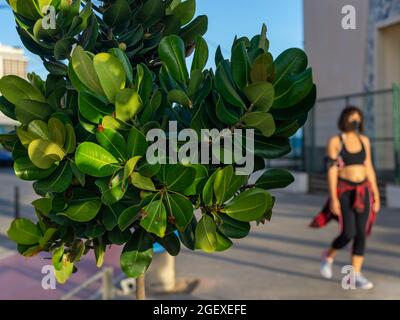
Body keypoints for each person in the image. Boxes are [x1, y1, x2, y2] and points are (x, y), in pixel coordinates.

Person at [310, 106, 380, 289]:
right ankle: (329, 255)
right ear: (344, 120)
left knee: (361, 234)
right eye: (351, 118)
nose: (355, 122)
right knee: (348, 233)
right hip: (345, 191)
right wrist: (333, 197)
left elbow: (369, 168)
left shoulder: (364, 140)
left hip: (364, 191)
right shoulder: (336, 141)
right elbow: (332, 170)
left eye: (357, 119)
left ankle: (354, 275)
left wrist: (376, 194)